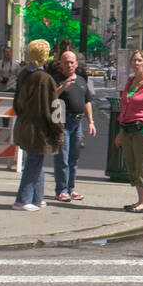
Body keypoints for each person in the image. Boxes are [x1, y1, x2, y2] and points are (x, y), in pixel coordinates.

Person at [12, 39, 62, 211]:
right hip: (39, 128)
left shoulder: (23, 74)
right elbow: (55, 107)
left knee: (36, 161)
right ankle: (22, 199)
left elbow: (16, 103)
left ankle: (38, 197)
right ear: (44, 56)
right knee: (34, 162)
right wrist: (59, 130)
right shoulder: (45, 78)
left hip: (24, 124)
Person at [114, 50, 143, 212]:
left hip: (142, 129)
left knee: (142, 165)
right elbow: (124, 107)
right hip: (127, 129)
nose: (136, 63)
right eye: (134, 60)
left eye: (139, 60)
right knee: (132, 164)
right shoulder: (130, 81)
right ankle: (139, 201)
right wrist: (120, 131)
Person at [53, 49, 96, 202]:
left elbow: (87, 101)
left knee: (74, 158)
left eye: (72, 62)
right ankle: (61, 190)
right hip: (62, 122)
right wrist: (62, 88)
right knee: (62, 158)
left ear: (76, 64)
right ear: (61, 64)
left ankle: (71, 188)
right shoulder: (56, 79)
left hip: (77, 122)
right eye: (66, 62)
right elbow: (50, 98)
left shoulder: (81, 81)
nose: (69, 65)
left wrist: (91, 121)